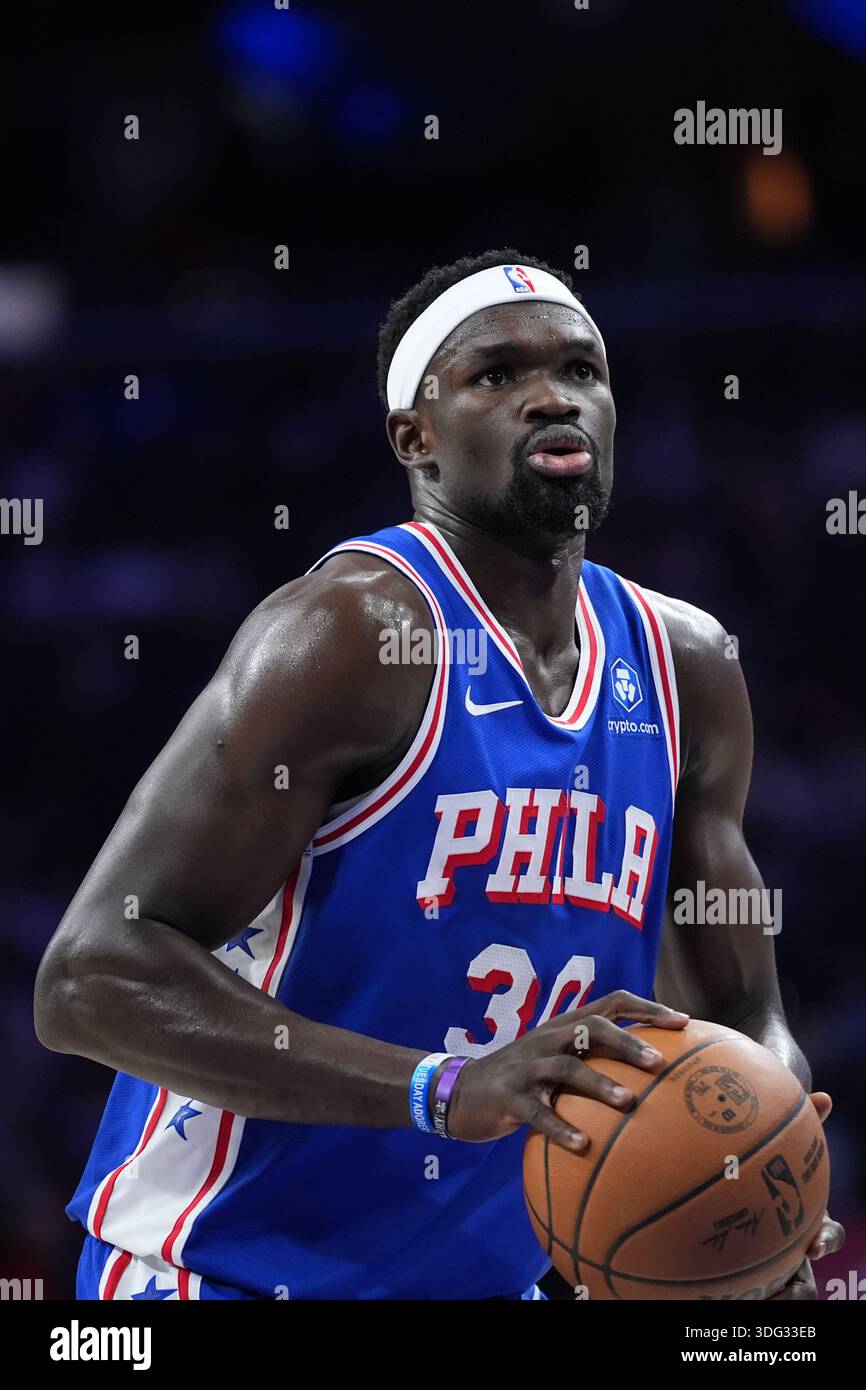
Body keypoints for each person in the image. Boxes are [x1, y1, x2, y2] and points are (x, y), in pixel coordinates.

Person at [34, 248, 843, 1300]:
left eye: (580, 369)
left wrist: (757, 1159)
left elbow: (743, 1008)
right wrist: (439, 1087)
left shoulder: (686, 663)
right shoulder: (349, 635)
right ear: (413, 437)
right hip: (223, 1271)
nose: (552, 395)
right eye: (496, 375)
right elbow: (87, 979)